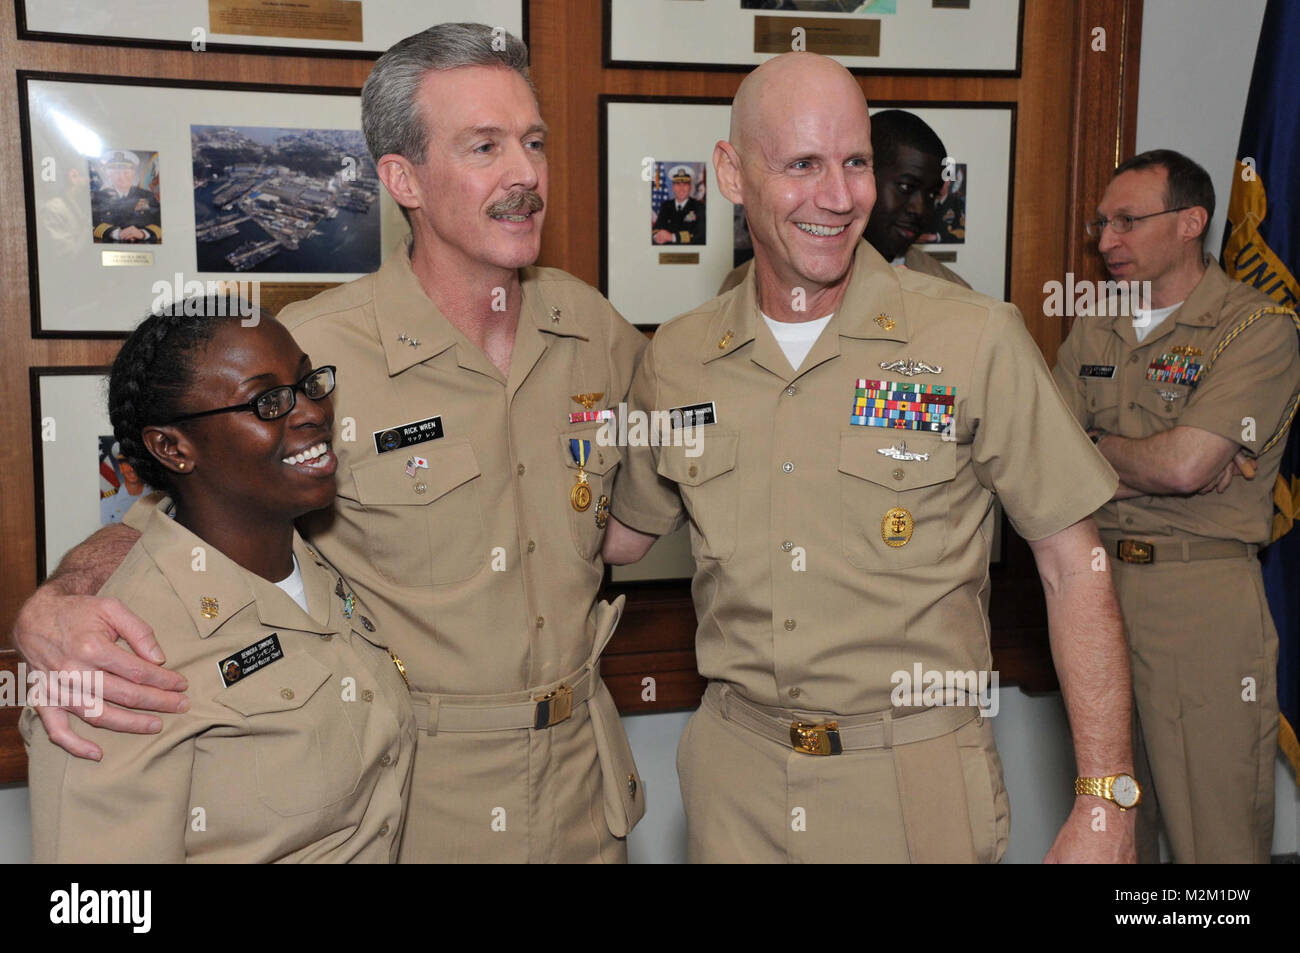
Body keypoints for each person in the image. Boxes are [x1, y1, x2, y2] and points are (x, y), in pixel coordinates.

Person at [13, 23, 647, 864]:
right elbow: (166, 521)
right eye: (485, 146)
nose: (526, 173)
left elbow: (664, 478)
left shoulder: (592, 328)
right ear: (401, 178)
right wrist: (53, 606)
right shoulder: (312, 357)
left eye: (533, 141)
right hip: (414, 800)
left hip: (584, 793)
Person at [603, 52, 1138, 863]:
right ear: (731, 173)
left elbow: (1075, 566)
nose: (839, 195)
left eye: (855, 162)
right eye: (802, 164)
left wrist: (1107, 797)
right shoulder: (679, 358)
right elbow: (618, 535)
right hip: (736, 781)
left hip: (910, 780)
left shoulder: (972, 336)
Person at [21, 298, 415, 862]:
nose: (311, 412)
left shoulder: (319, 567)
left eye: (308, 382)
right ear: (173, 447)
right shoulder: (120, 663)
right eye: (267, 401)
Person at [1052, 149, 1300, 863]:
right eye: (1102, 222)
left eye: (1127, 221)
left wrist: (1101, 452)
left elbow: (1187, 466)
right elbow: (1046, 463)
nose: (1105, 241)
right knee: (1112, 829)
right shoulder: (1096, 323)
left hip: (1199, 600)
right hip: (1095, 593)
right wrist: (1151, 461)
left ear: (1192, 221)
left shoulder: (1256, 328)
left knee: (1212, 840)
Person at [720, 109, 969, 294]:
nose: (920, 210)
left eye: (932, 195)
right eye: (906, 187)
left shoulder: (952, 291)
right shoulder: (745, 285)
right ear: (863, 177)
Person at [91, 150, 161, 244]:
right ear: (109, 175)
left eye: (126, 172)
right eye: (116, 173)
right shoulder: (98, 197)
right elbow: (90, 224)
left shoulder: (147, 196)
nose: (121, 177)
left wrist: (143, 233)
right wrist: (115, 233)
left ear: (134, 173)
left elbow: (160, 222)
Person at [653, 165, 706, 245]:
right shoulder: (666, 206)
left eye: (685, 184)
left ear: (690, 187)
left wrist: (672, 237)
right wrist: (657, 237)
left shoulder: (699, 207)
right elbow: (656, 229)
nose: (681, 188)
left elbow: (700, 235)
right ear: (673, 187)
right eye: (678, 184)